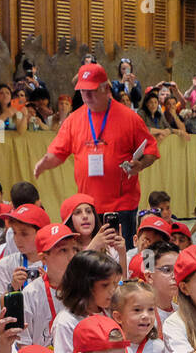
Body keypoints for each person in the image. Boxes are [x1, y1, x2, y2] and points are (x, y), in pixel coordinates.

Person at [34, 64, 160, 249]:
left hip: (121, 206)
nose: (87, 96)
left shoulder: (129, 118)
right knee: (93, 261)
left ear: (105, 88)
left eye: (91, 91)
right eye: (83, 91)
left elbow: (151, 151)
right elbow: (58, 153)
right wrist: (45, 162)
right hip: (88, 207)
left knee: (119, 257)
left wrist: (140, 165)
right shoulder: (74, 120)